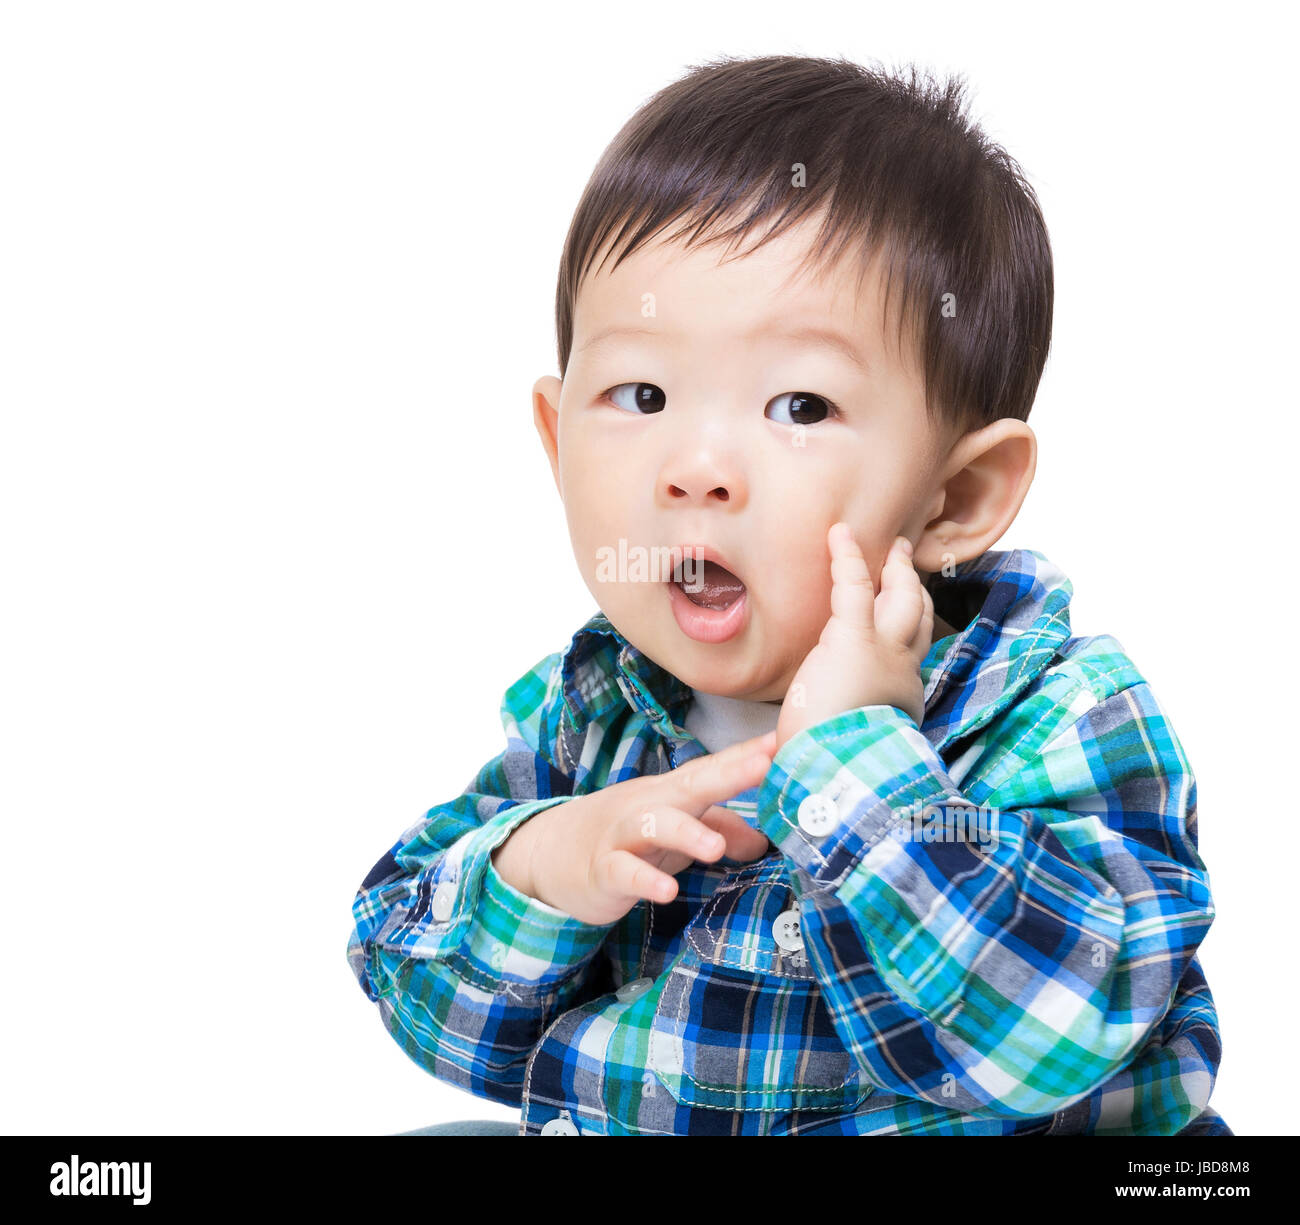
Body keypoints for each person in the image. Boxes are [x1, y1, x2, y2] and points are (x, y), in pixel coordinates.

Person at [347, 54, 1230, 1136]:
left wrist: (857, 759)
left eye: (800, 406)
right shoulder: (589, 715)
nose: (696, 467)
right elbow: (430, 1005)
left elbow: (1054, 1031)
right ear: (556, 435)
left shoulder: (1056, 713)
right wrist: (552, 865)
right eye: (641, 394)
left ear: (954, 496)